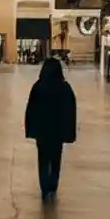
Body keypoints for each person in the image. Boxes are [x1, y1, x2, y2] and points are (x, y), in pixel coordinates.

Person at [24, 58, 77, 201]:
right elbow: (71, 112)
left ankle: (44, 188)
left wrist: (30, 129)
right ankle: (53, 186)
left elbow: (30, 110)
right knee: (55, 159)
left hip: (42, 132)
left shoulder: (38, 87)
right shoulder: (65, 88)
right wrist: (70, 133)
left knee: (43, 159)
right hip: (57, 132)